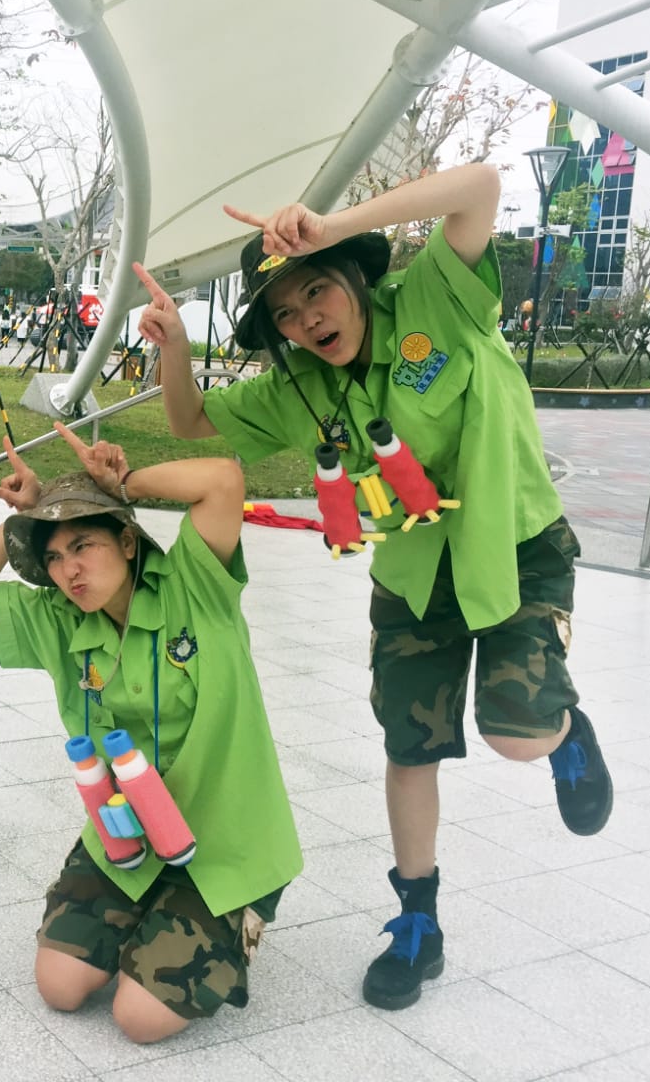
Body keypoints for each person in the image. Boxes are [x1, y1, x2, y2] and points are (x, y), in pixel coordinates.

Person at [134, 162, 613, 1011]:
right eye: (284, 313)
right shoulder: (299, 389)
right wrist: (172, 347)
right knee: (409, 746)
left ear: (355, 276)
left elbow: (480, 185)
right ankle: (417, 923)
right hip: (414, 573)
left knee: (516, 735)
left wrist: (329, 220)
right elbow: (190, 422)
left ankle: (564, 730)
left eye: (317, 291)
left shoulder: (438, 300)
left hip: (515, 544)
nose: (306, 318)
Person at [0, 425, 300, 1043]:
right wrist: (25, 519)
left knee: (140, 1019)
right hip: (128, 838)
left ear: (128, 541)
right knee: (60, 986)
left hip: (222, 844)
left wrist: (121, 484)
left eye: (84, 545)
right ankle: (151, 916)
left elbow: (222, 481)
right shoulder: (57, 619)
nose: (68, 570)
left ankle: (236, 918)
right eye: (52, 557)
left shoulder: (195, 586)